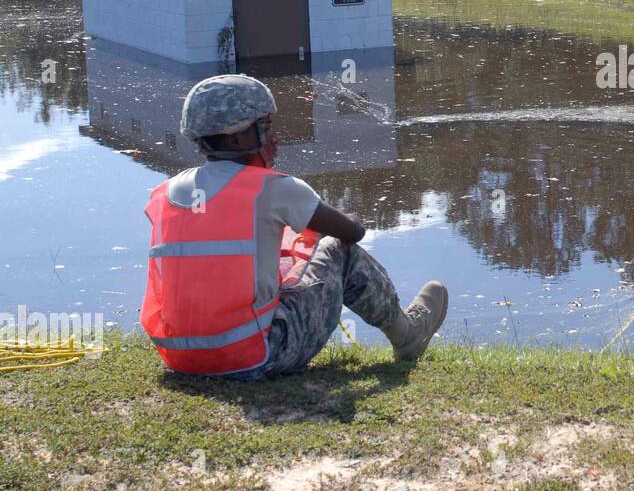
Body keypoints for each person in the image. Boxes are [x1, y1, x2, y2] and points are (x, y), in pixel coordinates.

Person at [141, 74, 447, 379]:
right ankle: (407, 335)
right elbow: (352, 233)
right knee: (341, 253)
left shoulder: (166, 192)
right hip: (255, 357)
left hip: (180, 358)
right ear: (237, 138)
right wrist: (351, 218)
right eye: (265, 127)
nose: (276, 138)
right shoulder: (273, 188)